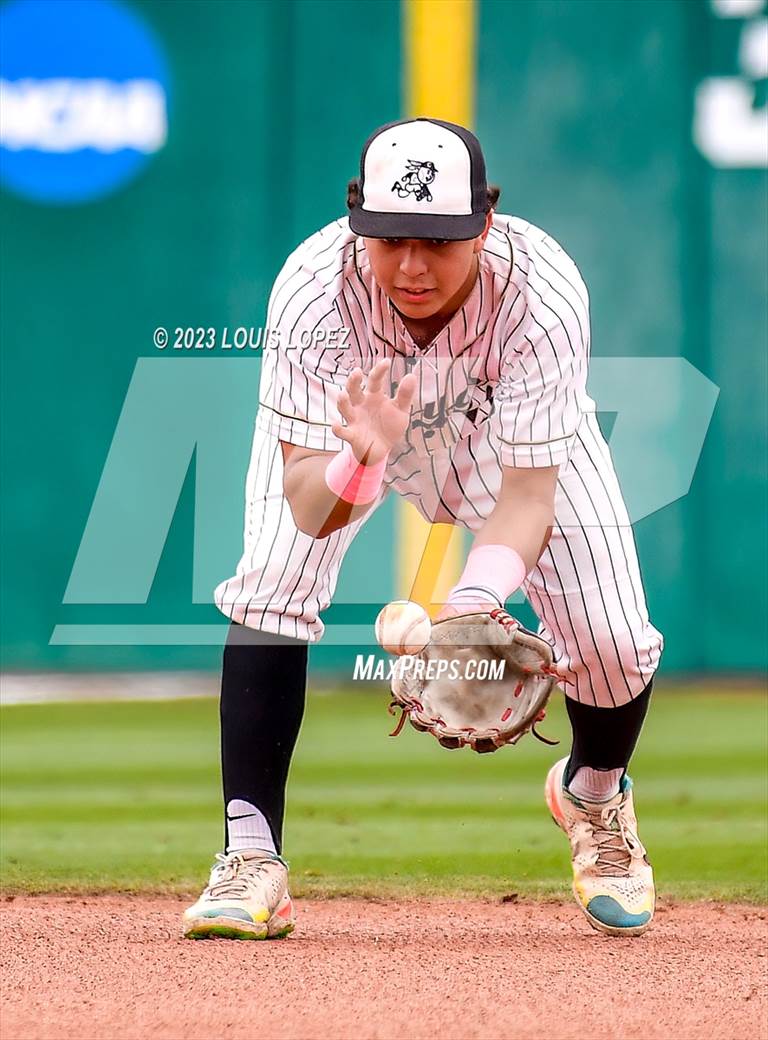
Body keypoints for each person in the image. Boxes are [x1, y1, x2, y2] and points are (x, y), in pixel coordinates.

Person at [182, 117, 664, 941]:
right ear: (356, 219)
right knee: (270, 583)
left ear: (484, 222)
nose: (410, 265)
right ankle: (251, 857)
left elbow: (528, 495)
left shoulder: (540, 289)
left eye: (437, 240)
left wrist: (470, 605)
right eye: (388, 237)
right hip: (351, 435)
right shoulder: (312, 287)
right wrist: (360, 462)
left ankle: (593, 795)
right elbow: (306, 503)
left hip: (502, 442)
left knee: (615, 641)